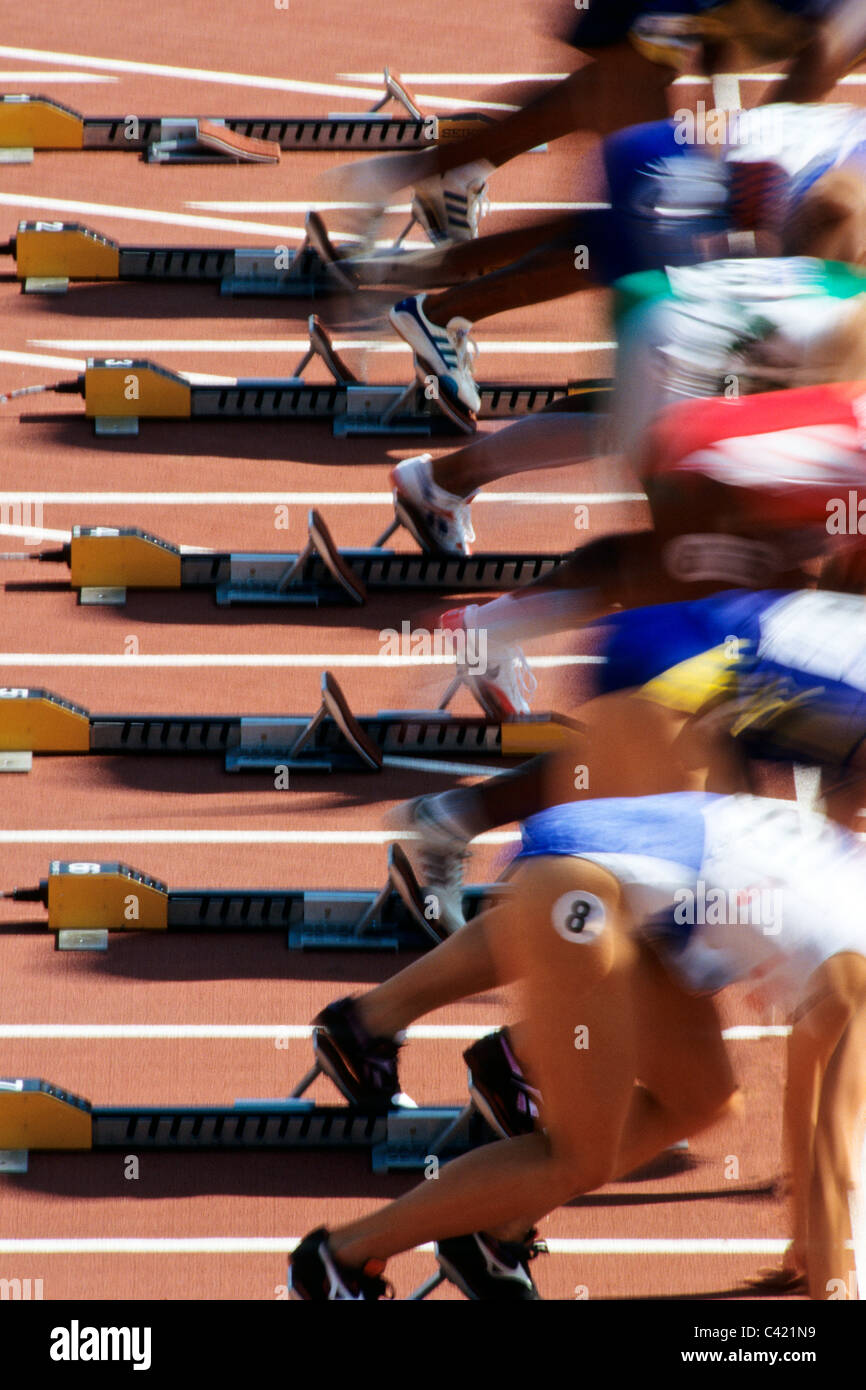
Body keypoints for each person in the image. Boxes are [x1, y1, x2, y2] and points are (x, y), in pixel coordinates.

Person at [288, 784, 866, 1299]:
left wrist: (813, 1249)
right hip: (587, 890)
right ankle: (339, 1259)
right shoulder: (856, 978)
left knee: (702, 1096)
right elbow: (832, 1150)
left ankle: (495, 1230)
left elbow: (808, 1101)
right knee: (579, 1156)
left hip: (615, 867)